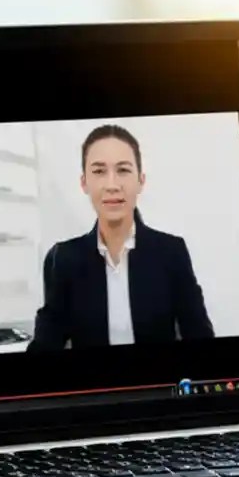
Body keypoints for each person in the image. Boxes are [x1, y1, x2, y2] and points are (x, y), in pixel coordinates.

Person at [27, 124, 214, 351]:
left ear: (140, 181)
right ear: (84, 182)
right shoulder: (63, 259)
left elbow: (201, 337)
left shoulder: (171, 252)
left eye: (123, 170)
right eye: (99, 171)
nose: (112, 185)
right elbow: (46, 342)